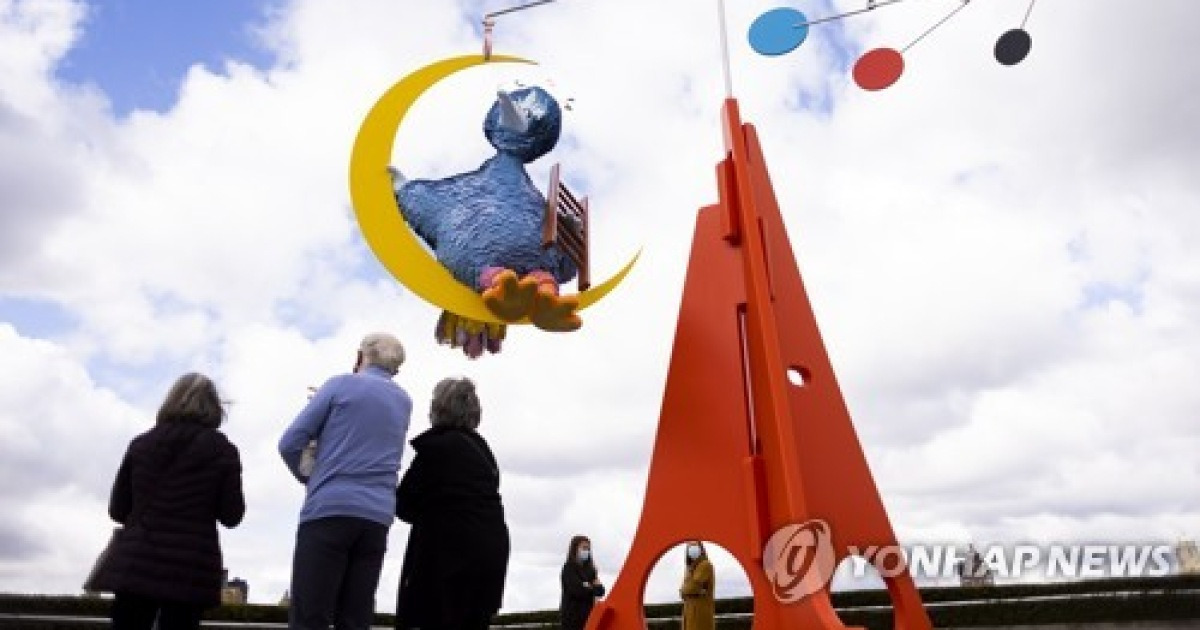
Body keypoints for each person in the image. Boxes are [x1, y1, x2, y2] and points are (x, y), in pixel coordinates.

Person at [279, 333, 413, 630]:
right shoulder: (404, 401)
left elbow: (289, 442)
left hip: (330, 508)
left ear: (360, 357)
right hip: (376, 518)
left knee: (310, 615)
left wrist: (310, 477)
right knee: (355, 617)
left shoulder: (340, 384)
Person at [106, 372, 245, 630]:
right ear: (215, 407)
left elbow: (117, 510)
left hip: (137, 562)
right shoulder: (223, 450)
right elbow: (231, 516)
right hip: (189, 570)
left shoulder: (141, 445)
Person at [394, 377, 510, 630]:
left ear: (439, 409)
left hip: (445, 562)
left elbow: (403, 504)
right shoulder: (484, 453)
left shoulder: (436, 448)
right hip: (488, 558)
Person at [559, 536, 605, 630]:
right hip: (572, 618)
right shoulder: (569, 568)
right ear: (574, 549)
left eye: (588, 549)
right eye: (584, 548)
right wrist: (592, 587)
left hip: (588, 617)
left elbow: (600, 591)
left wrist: (588, 587)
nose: (586, 551)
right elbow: (577, 591)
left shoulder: (590, 570)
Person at [679, 541, 715, 630]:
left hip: (699, 611)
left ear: (701, 549)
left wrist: (686, 589)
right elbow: (682, 592)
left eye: (695, 546)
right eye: (690, 547)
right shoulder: (690, 568)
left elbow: (692, 587)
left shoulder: (705, 565)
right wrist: (686, 590)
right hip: (690, 611)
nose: (692, 549)